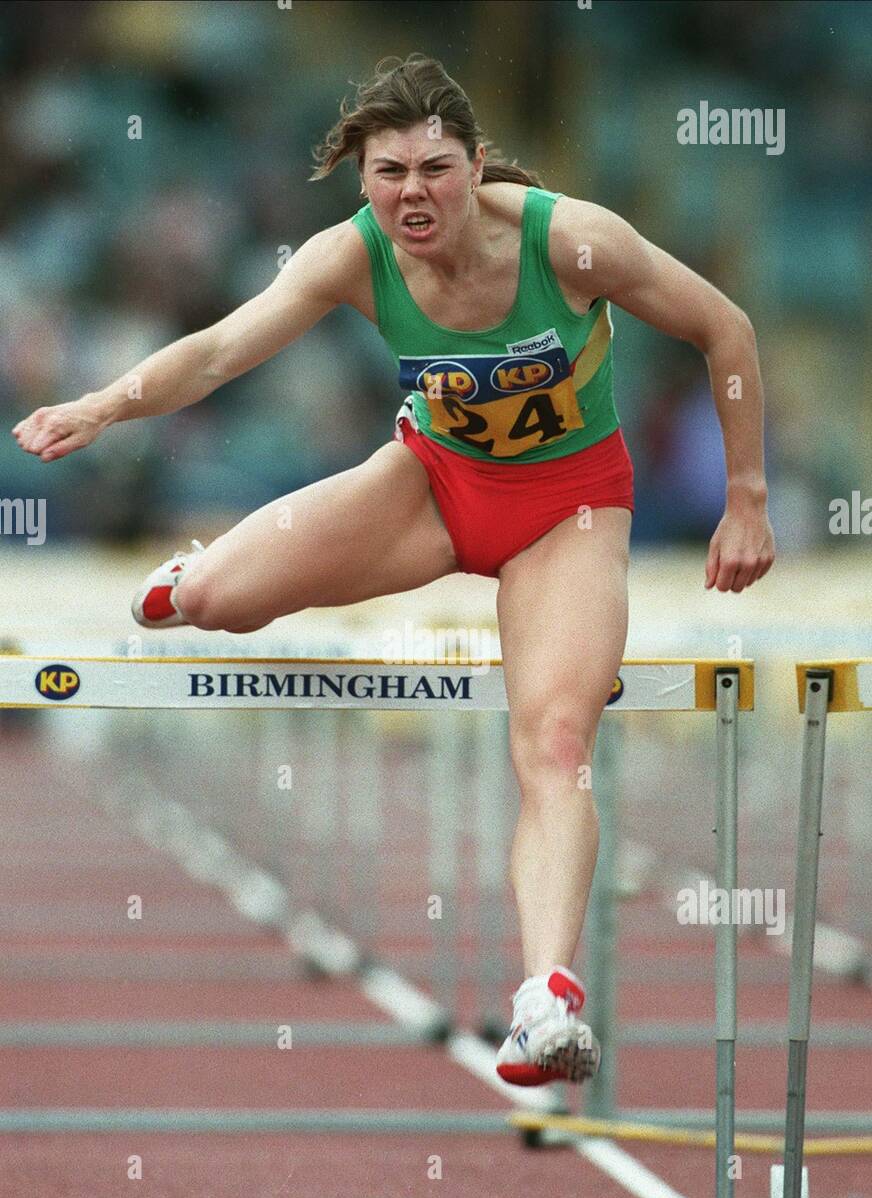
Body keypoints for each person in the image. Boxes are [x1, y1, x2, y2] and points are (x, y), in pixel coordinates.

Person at [12, 53, 775, 1087]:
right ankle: (201, 576)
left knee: (554, 738)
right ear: (362, 179)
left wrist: (744, 497)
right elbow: (220, 351)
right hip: (430, 485)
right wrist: (101, 405)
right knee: (209, 603)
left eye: (433, 168)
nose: (411, 193)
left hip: (571, 509)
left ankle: (543, 997)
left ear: (472, 169)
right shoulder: (349, 254)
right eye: (388, 173)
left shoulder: (571, 238)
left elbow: (721, 326)